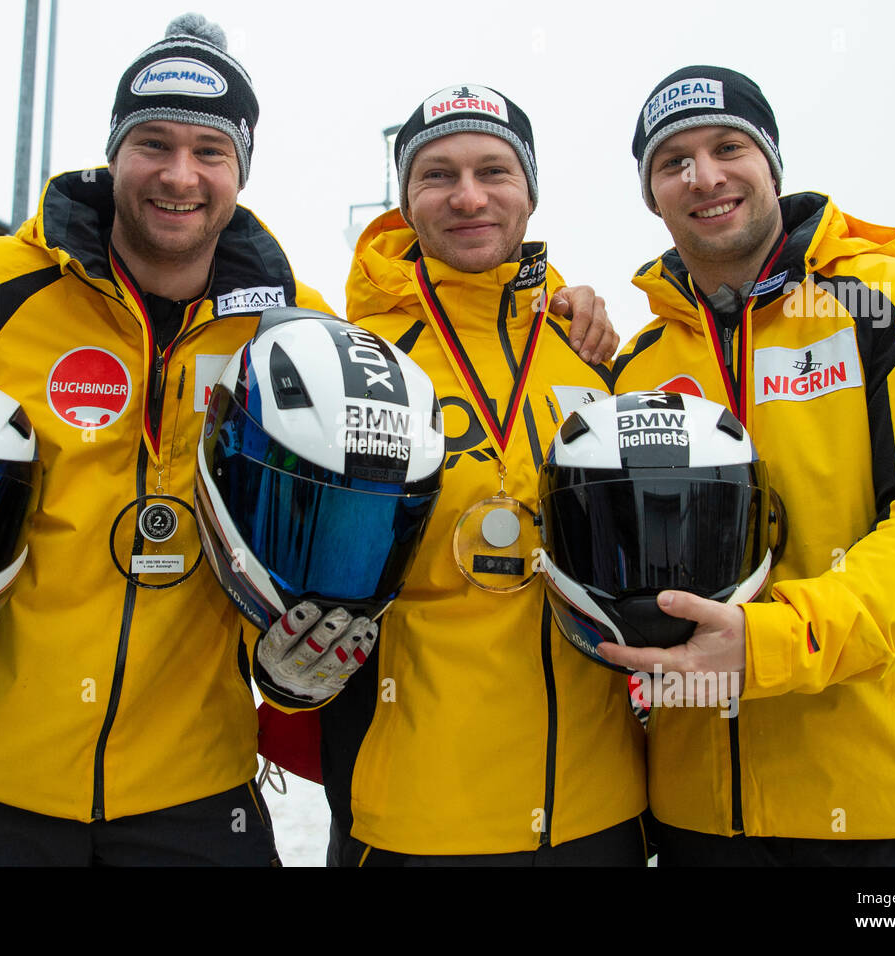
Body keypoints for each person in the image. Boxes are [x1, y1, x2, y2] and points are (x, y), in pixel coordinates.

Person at [0, 19, 613, 866]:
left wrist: (551, 301)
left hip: (196, 796)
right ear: (114, 152)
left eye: (211, 151)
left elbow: (441, 339)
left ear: (242, 170)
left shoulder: (292, 326)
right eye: (153, 144)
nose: (180, 175)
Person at [600, 65, 895, 864]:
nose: (704, 176)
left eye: (728, 147)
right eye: (672, 161)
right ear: (652, 194)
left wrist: (778, 641)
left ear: (772, 165)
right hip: (700, 822)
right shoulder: (638, 365)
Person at [254, 84, 646, 865]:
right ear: (405, 201)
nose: (469, 197)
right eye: (437, 175)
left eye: (494, 171)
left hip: (596, 812)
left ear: (530, 193)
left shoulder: (591, 356)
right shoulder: (355, 361)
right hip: (410, 820)